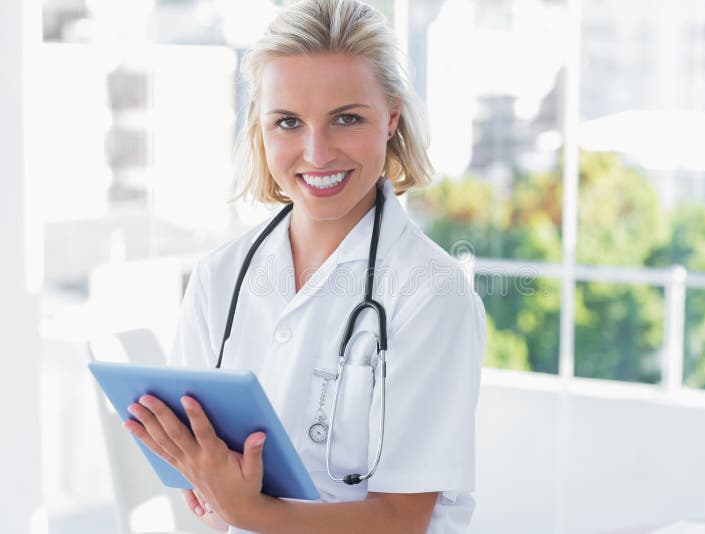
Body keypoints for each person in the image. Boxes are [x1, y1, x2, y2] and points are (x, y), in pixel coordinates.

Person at [122, 0, 487, 532]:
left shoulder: (431, 292)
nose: (316, 153)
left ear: (391, 119)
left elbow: (402, 518)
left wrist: (248, 508)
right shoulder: (219, 278)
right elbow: (199, 477)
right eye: (288, 122)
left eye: (346, 118)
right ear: (260, 128)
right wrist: (202, 479)